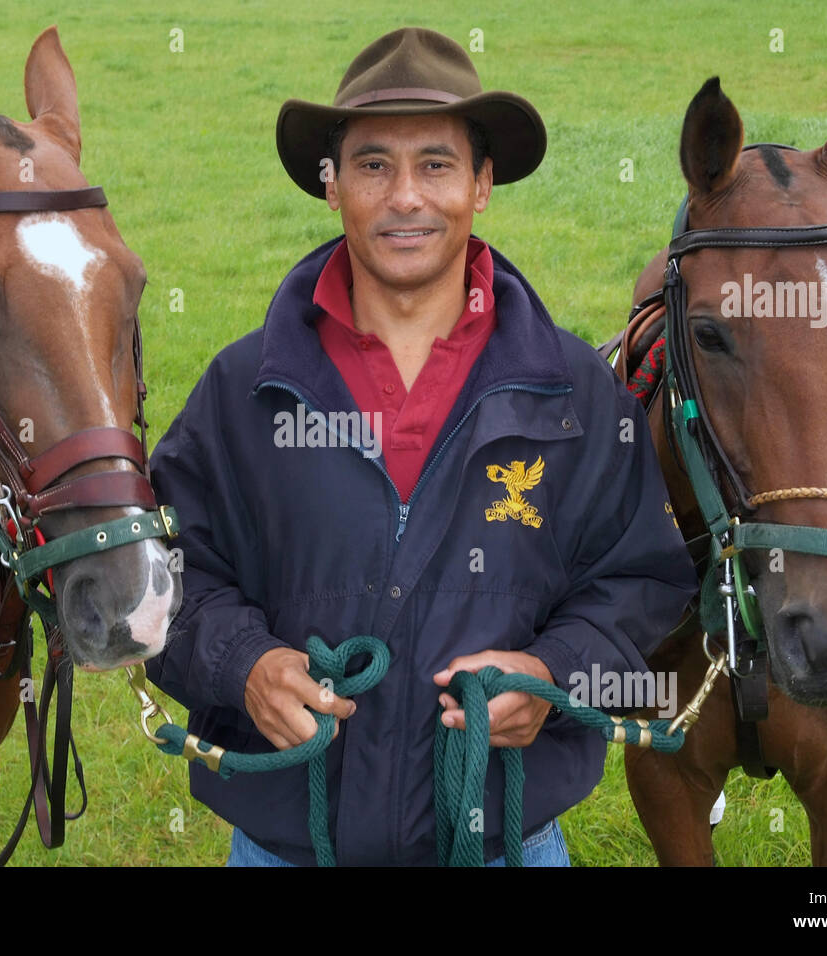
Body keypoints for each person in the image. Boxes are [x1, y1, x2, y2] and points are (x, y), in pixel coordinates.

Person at [145, 26, 697, 866]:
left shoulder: (575, 394)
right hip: (288, 847)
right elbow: (167, 574)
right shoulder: (242, 389)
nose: (405, 196)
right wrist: (243, 664)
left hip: (508, 842)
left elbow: (641, 579)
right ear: (331, 186)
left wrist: (554, 675)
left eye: (436, 163)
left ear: (481, 183)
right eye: (372, 164)